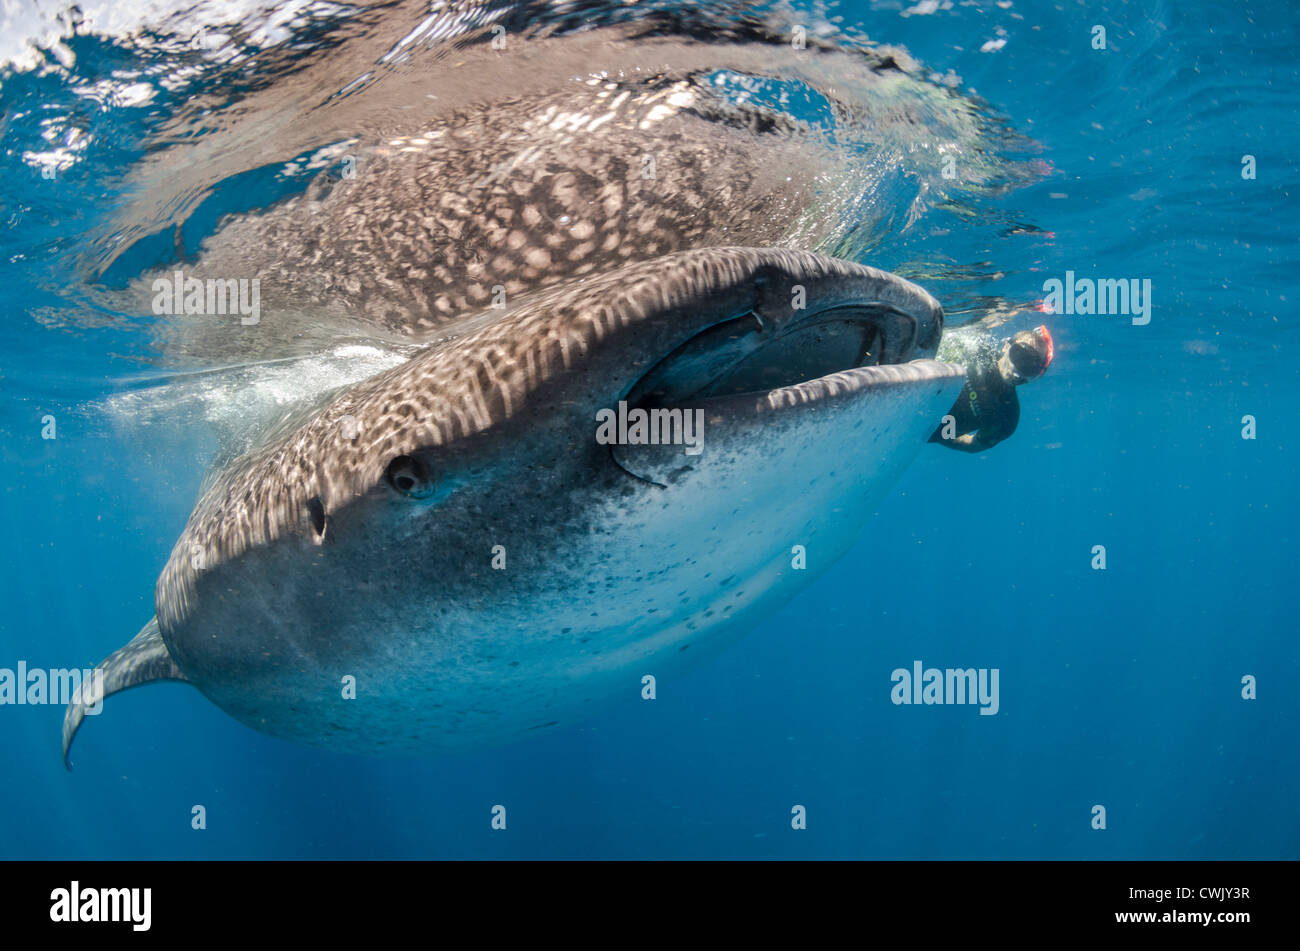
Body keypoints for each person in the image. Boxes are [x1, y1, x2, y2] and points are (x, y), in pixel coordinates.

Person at [929, 325, 1053, 453]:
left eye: (1029, 369)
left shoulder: (1007, 418)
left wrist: (936, 435)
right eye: (1019, 356)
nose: (1018, 373)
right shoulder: (974, 349)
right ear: (1006, 346)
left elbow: (974, 445)